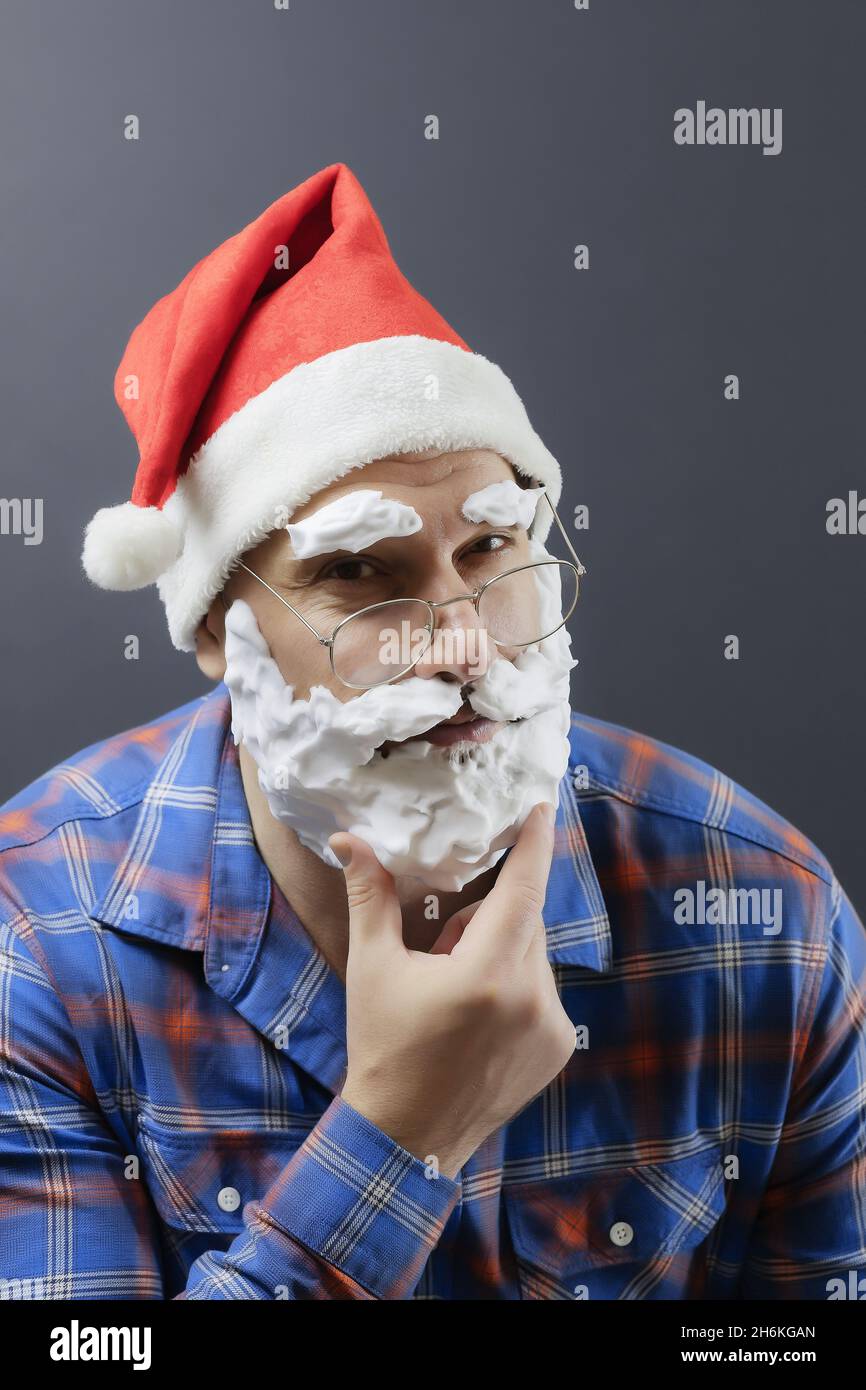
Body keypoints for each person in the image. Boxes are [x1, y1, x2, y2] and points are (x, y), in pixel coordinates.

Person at [1, 163, 864, 1301]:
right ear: (216, 625)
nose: (459, 644)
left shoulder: (764, 916)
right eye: (359, 571)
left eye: (492, 550)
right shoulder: (38, 936)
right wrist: (399, 1139)